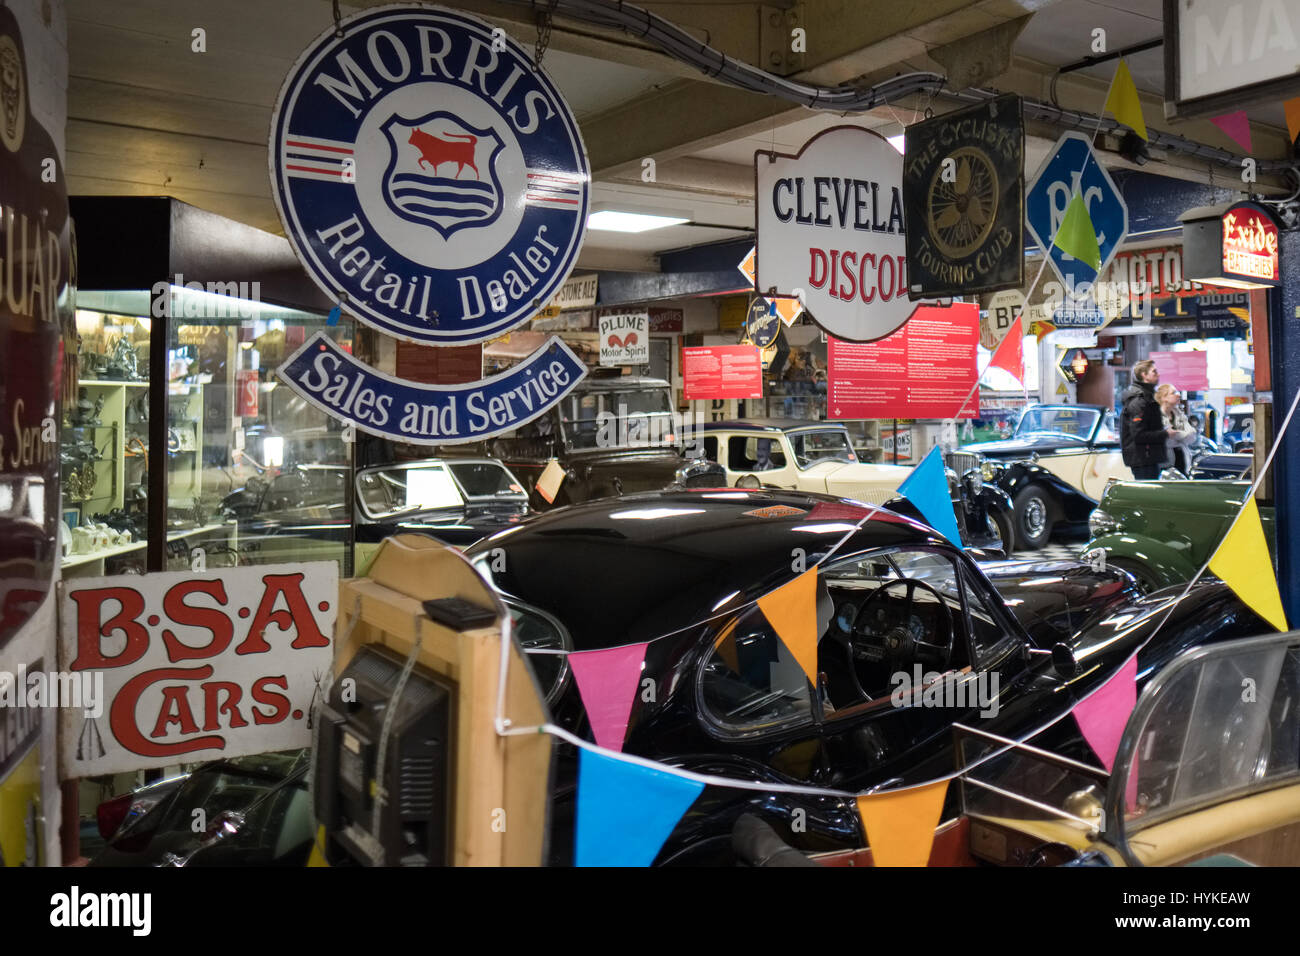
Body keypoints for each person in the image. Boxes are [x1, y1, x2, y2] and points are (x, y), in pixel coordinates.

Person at [1120, 360, 1175, 480]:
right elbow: (1139, 435)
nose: (1158, 374)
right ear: (1144, 375)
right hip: (1143, 458)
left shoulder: (1147, 397)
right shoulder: (1139, 401)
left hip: (1147, 457)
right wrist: (1165, 434)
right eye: (1154, 372)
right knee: (1148, 493)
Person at [1156, 383, 1197, 474]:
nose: (1178, 394)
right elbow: (1166, 441)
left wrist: (1176, 434)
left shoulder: (1179, 414)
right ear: (1164, 398)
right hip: (1164, 463)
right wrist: (1181, 436)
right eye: (1173, 392)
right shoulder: (1156, 416)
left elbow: (1192, 435)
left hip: (1183, 460)